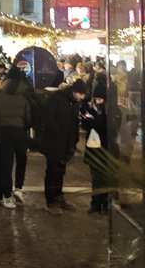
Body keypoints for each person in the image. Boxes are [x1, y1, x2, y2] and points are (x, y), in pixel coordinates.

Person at [41, 79, 87, 214]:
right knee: (52, 171)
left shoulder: (74, 102)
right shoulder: (56, 99)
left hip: (66, 143)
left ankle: (59, 197)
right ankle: (51, 202)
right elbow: (48, 119)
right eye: (81, 94)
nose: (82, 97)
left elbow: (74, 123)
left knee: (60, 171)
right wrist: (57, 135)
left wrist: (73, 141)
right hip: (54, 142)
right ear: (74, 91)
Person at [0, 67, 32, 209]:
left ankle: (7, 196)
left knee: (6, 164)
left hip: (4, 131)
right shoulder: (24, 95)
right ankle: (18, 188)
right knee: (21, 159)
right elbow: (28, 117)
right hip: (20, 131)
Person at [82, 80, 112, 214]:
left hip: (105, 149)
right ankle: (95, 203)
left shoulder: (109, 112)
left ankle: (104, 203)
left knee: (105, 178)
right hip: (93, 149)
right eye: (96, 99)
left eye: (100, 99)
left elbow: (105, 128)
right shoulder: (90, 109)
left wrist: (93, 119)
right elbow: (86, 126)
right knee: (96, 179)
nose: (98, 101)